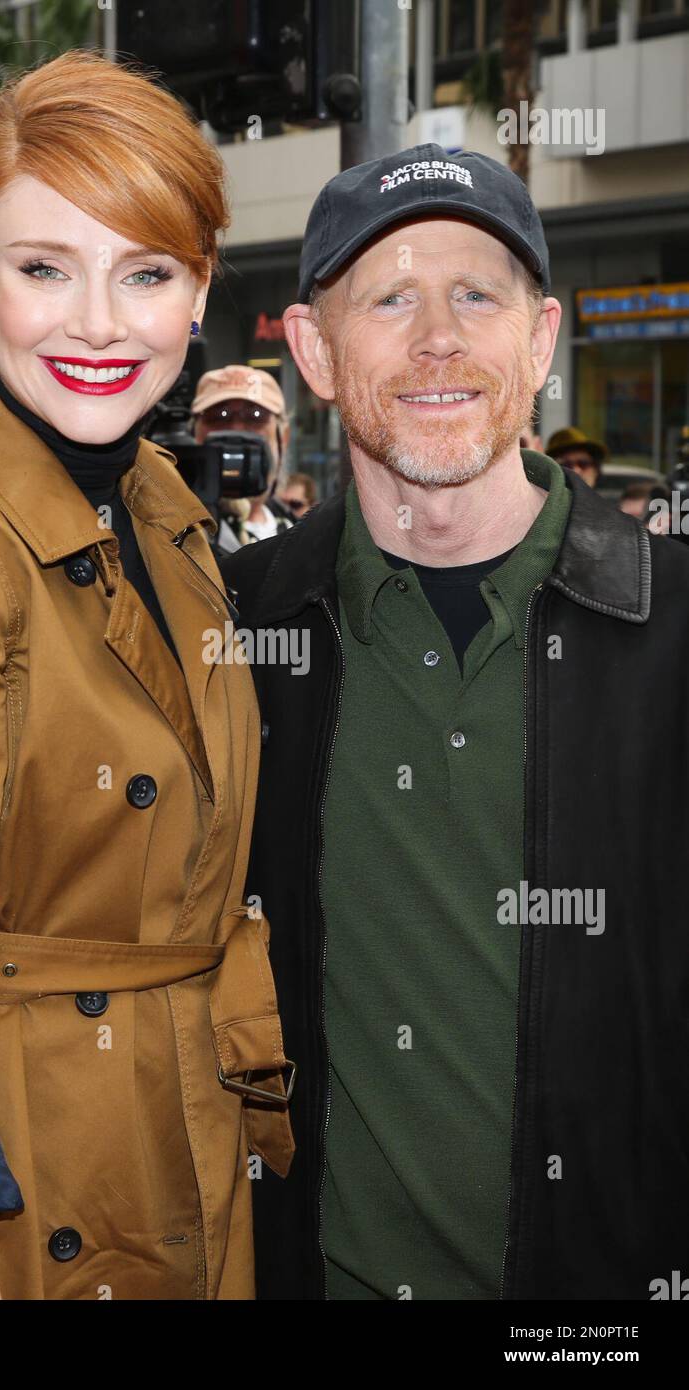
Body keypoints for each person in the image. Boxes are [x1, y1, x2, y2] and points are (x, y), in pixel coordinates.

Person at [0, 49, 293, 1302]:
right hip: (6, 1215)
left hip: (177, 1155)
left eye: (145, 273)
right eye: (44, 269)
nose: (97, 323)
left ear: (198, 291)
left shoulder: (167, 511)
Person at [220, 141, 689, 1300]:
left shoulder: (673, 623)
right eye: (388, 297)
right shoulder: (231, 634)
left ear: (537, 338)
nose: (438, 336)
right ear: (316, 351)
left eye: (475, 293)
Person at [191, 364, 295, 546]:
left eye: (255, 416)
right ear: (193, 433)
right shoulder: (171, 527)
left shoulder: (299, 535)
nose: (236, 430)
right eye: (218, 416)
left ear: (283, 438)